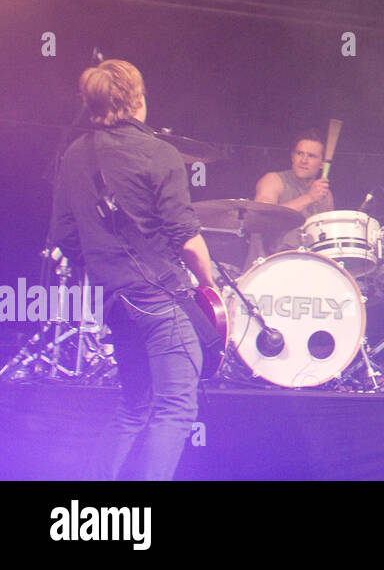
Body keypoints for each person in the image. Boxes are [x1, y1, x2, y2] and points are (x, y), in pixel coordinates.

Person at [46, 59, 216, 481]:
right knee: (176, 409)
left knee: (134, 406)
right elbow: (187, 239)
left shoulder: (74, 154)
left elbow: (66, 237)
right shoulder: (159, 152)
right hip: (160, 300)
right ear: (138, 98)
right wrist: (210, 288)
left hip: (115, 302)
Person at [253, 130, 333, 256]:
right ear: (292, 156)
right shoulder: (273, 180)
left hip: (308, 266)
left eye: (311, 156)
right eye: (299, 153)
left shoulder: (325, 194)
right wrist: (309, 197)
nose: (304, 160)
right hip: (268, 265)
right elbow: (263, 217)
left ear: (322, 164)